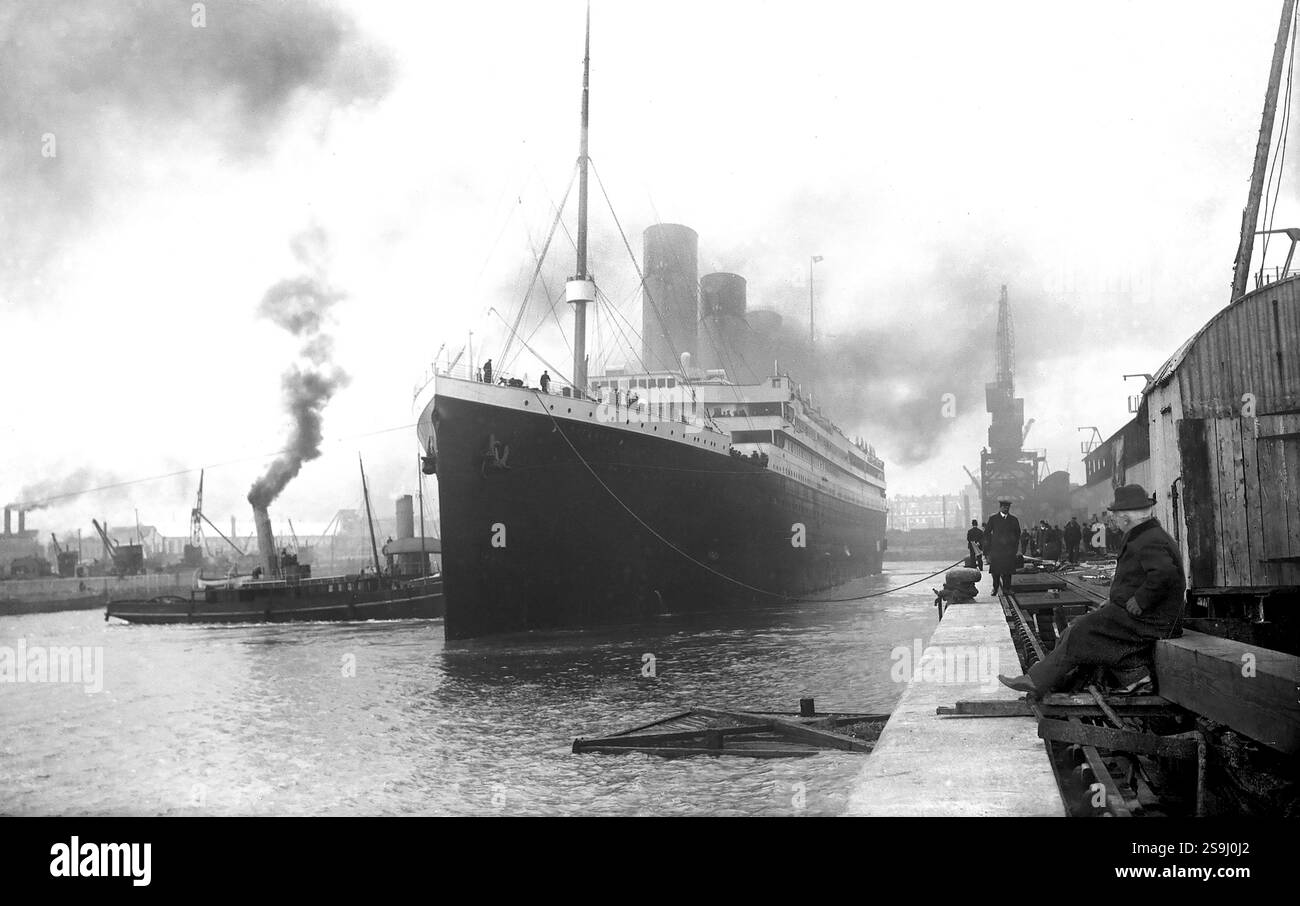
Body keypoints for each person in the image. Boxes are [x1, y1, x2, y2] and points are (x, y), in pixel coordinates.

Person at [999, 484, 1184, 697]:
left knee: (1081, 631)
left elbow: (1165, 575)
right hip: (1147, 615)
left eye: (1114, 516)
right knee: (1077, 628)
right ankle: (1133, 678)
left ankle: (1038, 680)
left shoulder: (1147, 539)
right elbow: (1137, 577)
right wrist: (1115, 599)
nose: (1112, 520)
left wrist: (1140, 600)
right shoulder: (1145, 535)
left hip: (1153, 619)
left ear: (1126, 518)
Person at [984, 499, 1021, 595]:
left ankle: (1006, 589)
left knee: (1008, 571)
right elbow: (987, 533)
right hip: (996, 549)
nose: (1006, 508)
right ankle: (995, 588)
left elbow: (1017, 534)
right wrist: (987, 550)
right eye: (1004, 507)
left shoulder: (1013, 520)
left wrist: (1015, 548)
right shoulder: (993, 519)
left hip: (1009, 550)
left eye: (1008, 507)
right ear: (1000, 507)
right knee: (995, 571)